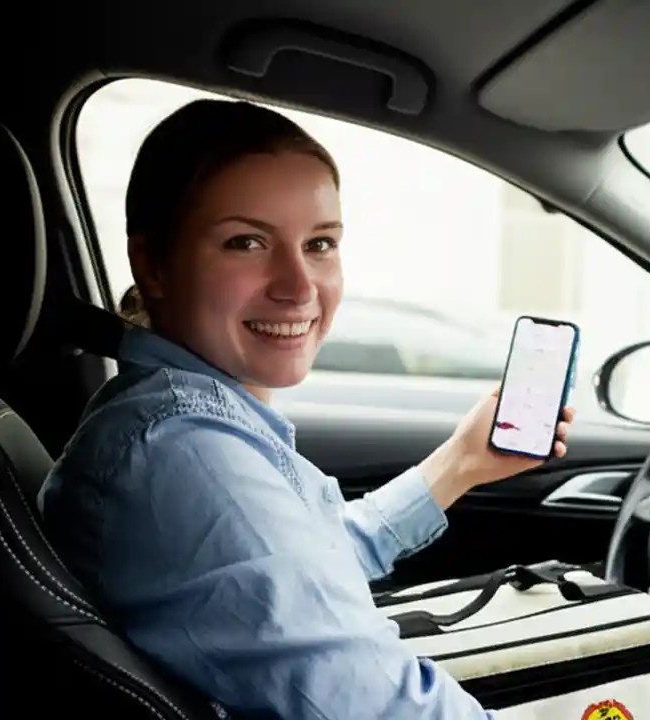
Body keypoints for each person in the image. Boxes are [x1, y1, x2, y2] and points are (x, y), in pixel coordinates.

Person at [38, 98, 574, 719]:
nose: (298, 286)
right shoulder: (182, 453)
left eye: (320, 244)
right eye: (246, 242)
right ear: (153, 266)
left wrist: (460, 464)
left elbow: (300, 567)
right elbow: (379, 708)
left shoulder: (185, 421)